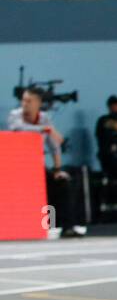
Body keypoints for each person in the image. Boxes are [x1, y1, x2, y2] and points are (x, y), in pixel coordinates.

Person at [7, 87, 85, 238]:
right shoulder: (15, 115)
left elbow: (54, 146)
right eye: (23, 100)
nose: (24, 104)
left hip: (35, 167)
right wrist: (47, 129)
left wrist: (57, 170)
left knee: (62, 183)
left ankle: (66, 227)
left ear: (38, 103)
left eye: (29, 101)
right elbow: (19, 128)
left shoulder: (44, 118)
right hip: (15, 168)